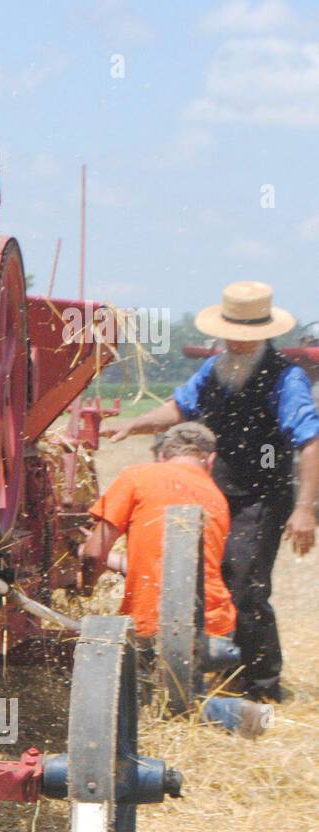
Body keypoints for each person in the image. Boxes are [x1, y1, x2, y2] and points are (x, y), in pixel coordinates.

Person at [106, 281, 319, 701]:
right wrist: (135, 423)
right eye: (231, 335)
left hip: (261, 496)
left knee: (246, 586)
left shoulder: (286, 378)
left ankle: (260, 689)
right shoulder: (213, 370)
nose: (237, 344)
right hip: (214, 495)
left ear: (264, 334)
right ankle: (203, 672)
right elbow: (178, 408)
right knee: (202, 581)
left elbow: (310, 442)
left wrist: (305, 509)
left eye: (246, 336)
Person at [82, 422, 270, 737]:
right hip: (218, 626)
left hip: (158, 625)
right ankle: (207, 699)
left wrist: (86, 585)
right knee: (175, 691)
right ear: (209, 461)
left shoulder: (137, 477)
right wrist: (116, 563)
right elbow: (172, 565)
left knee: (153, 706)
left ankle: (242, 716)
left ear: (162, 455)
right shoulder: (216, 497)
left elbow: (92, 554)